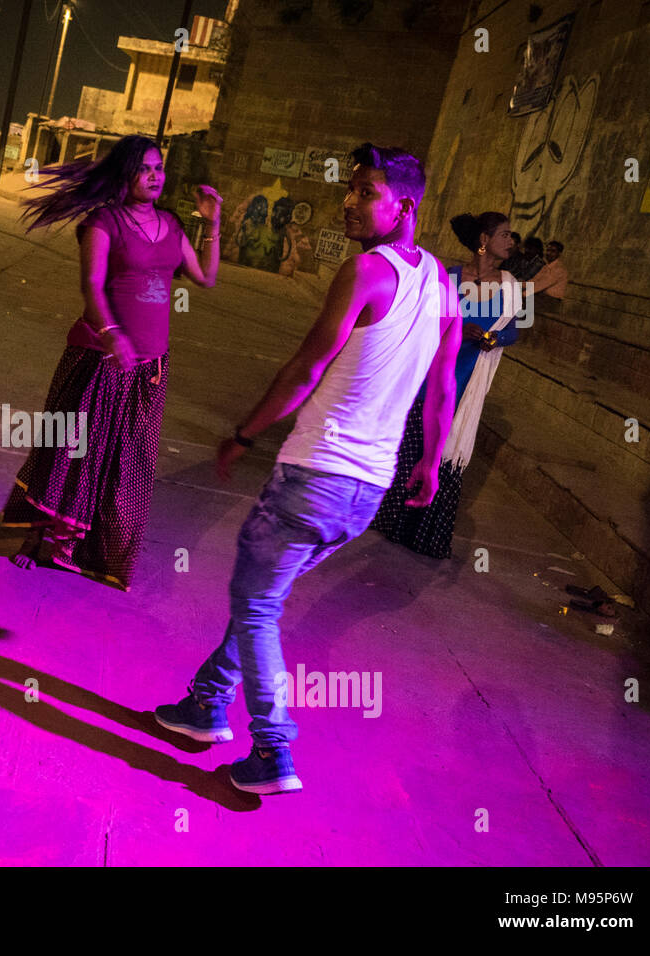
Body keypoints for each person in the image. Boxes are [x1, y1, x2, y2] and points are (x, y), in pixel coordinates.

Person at [154, 143, 463, 795]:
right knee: (263, 599)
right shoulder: (443, 287)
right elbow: (442, 390)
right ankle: (206, 704)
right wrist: (429, 461)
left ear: (404, 204)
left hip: (316, 475)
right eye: (349, 190)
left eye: (365, 192)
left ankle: (272, 749)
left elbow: (305, 368)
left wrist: (245, 432)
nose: (349, 202)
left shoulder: (367, 272)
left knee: (258, 604)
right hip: (366, 492)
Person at [0, 135, 223, 590]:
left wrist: (213, 225)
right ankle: (33, 542)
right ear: (125, 174)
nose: (156, 175)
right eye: (145, 168)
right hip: (99, 356)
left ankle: (91, 547)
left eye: (159, 167)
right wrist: (112, 334)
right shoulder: (103, 222)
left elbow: (206, 277)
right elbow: (92, 286)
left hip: (149, 368)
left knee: (127, 461)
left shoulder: (173, 226)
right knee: (69, 450)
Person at [372, 211, 521, 559]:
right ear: (484, 240)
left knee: (445, 452)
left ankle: (424, 535)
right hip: (432, 372)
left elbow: (515, 331)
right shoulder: (449, 277)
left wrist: (495, 337)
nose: (511, 241)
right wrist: (457, 328)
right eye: (504, 234)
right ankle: (394, 521)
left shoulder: (513, 286)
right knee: (414, 445)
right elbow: (421, 320)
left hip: (468, 378)